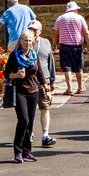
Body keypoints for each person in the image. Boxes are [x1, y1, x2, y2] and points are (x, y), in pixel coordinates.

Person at [3, 29, 47, 163]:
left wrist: (47, 88)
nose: (27, 43)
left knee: (30, 123)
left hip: (33, 91)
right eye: (25, 40)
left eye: (29, 40)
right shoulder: (15, 56)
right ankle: (17, 151)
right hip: (20, 91)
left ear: (32, 42)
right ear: (20, 42)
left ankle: (27, 152)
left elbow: (39, 73)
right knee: (24, 120)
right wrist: (16, 75)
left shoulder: (34, 55)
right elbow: (6, 74)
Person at [29, 18, 58, 147]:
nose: (33, 32)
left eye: (35, 30)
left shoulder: (46, 43)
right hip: (29, 81)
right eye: (31, 29)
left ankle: (45, 135)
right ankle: (28, 134)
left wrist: (52, 80)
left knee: (45, 107)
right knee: (29, 110)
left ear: (40, 31)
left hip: (43, 80)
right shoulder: (25, 42)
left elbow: (50, 61)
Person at [53, 0, 89, 95]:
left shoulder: (60, 18)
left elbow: (55, 33)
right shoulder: (80, 18)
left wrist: (54, 44)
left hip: (64, 46)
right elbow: (86, 32)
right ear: (74, 10)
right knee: (78, 67)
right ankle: (80, 87)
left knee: (67, 68)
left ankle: (69, 88)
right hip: (77, 46)